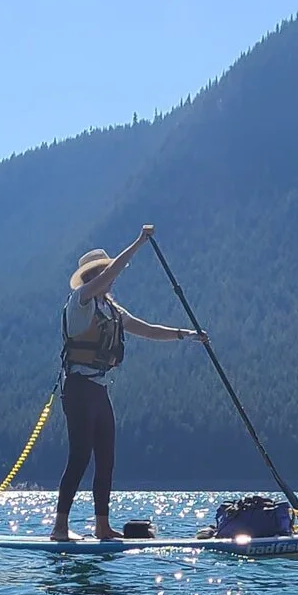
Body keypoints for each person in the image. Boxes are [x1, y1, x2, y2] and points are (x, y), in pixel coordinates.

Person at [53, 225, 202, 541]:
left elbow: (147, 329)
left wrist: (185, 335)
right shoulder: (80, 301)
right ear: (91, 277)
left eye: (106, 272)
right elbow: (113, 273)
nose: (109, 278)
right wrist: (139, 242)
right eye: (102, 273)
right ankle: (60, 528)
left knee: (106, 458)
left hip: (98, 389)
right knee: (80, 456)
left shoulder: (111, 310)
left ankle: (102, 526)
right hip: (78, 388)